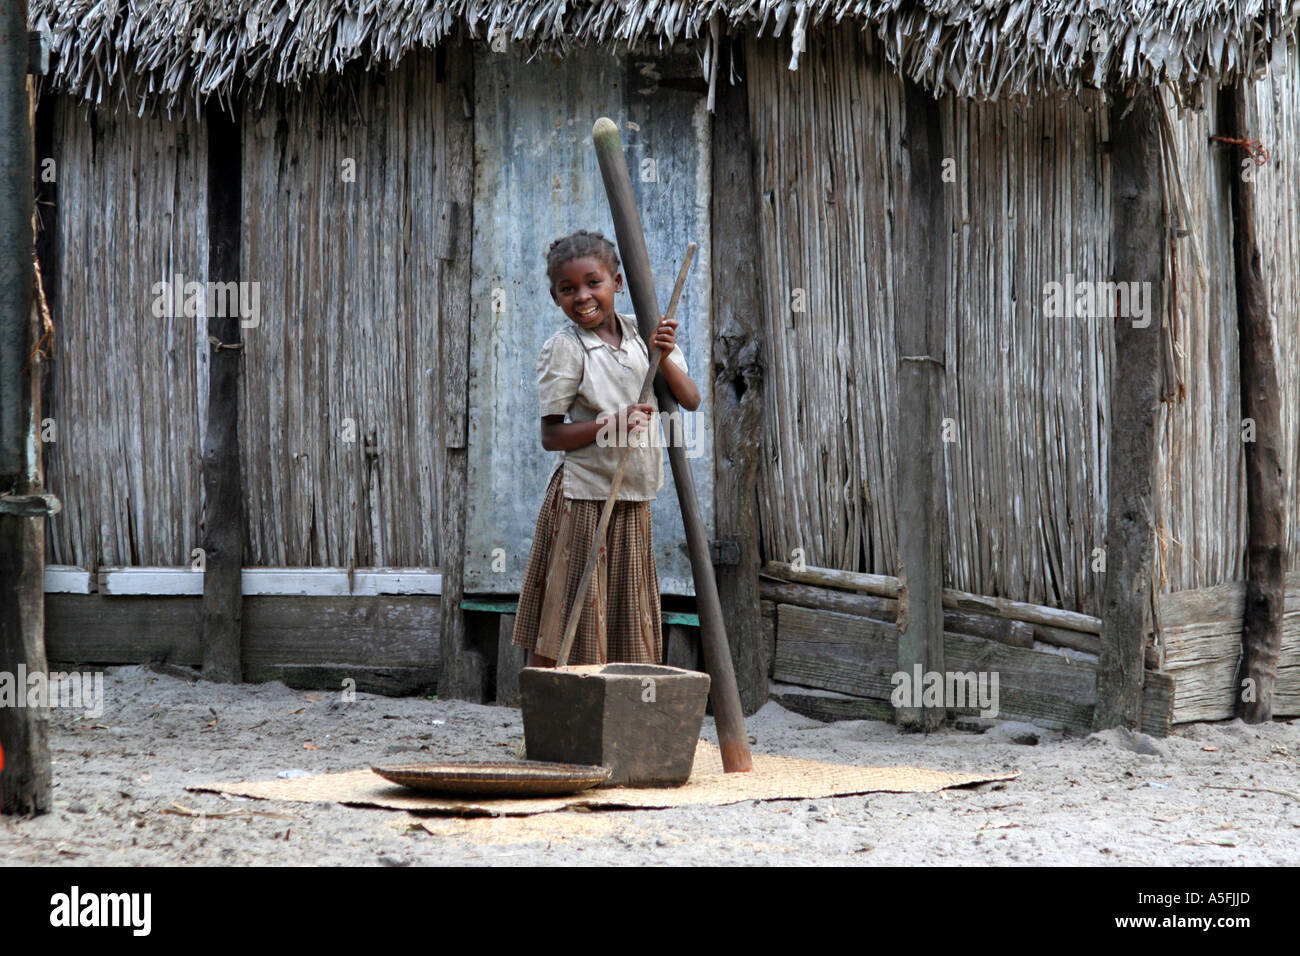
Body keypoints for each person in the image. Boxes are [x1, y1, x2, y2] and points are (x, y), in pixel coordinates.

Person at [511, 229, 700, 668]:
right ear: (555, 296)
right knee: (562, 618)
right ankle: (543, 723)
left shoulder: (645, 337)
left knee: (625, 623)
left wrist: (665, 355)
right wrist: (609, 423)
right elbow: (551, 437)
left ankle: (614, 722)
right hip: (584, 500)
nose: (582, 296)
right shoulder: (566, 348)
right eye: (567, 289)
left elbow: (689, 400)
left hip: (633, 501)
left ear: (616, 282)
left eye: (593, 282)